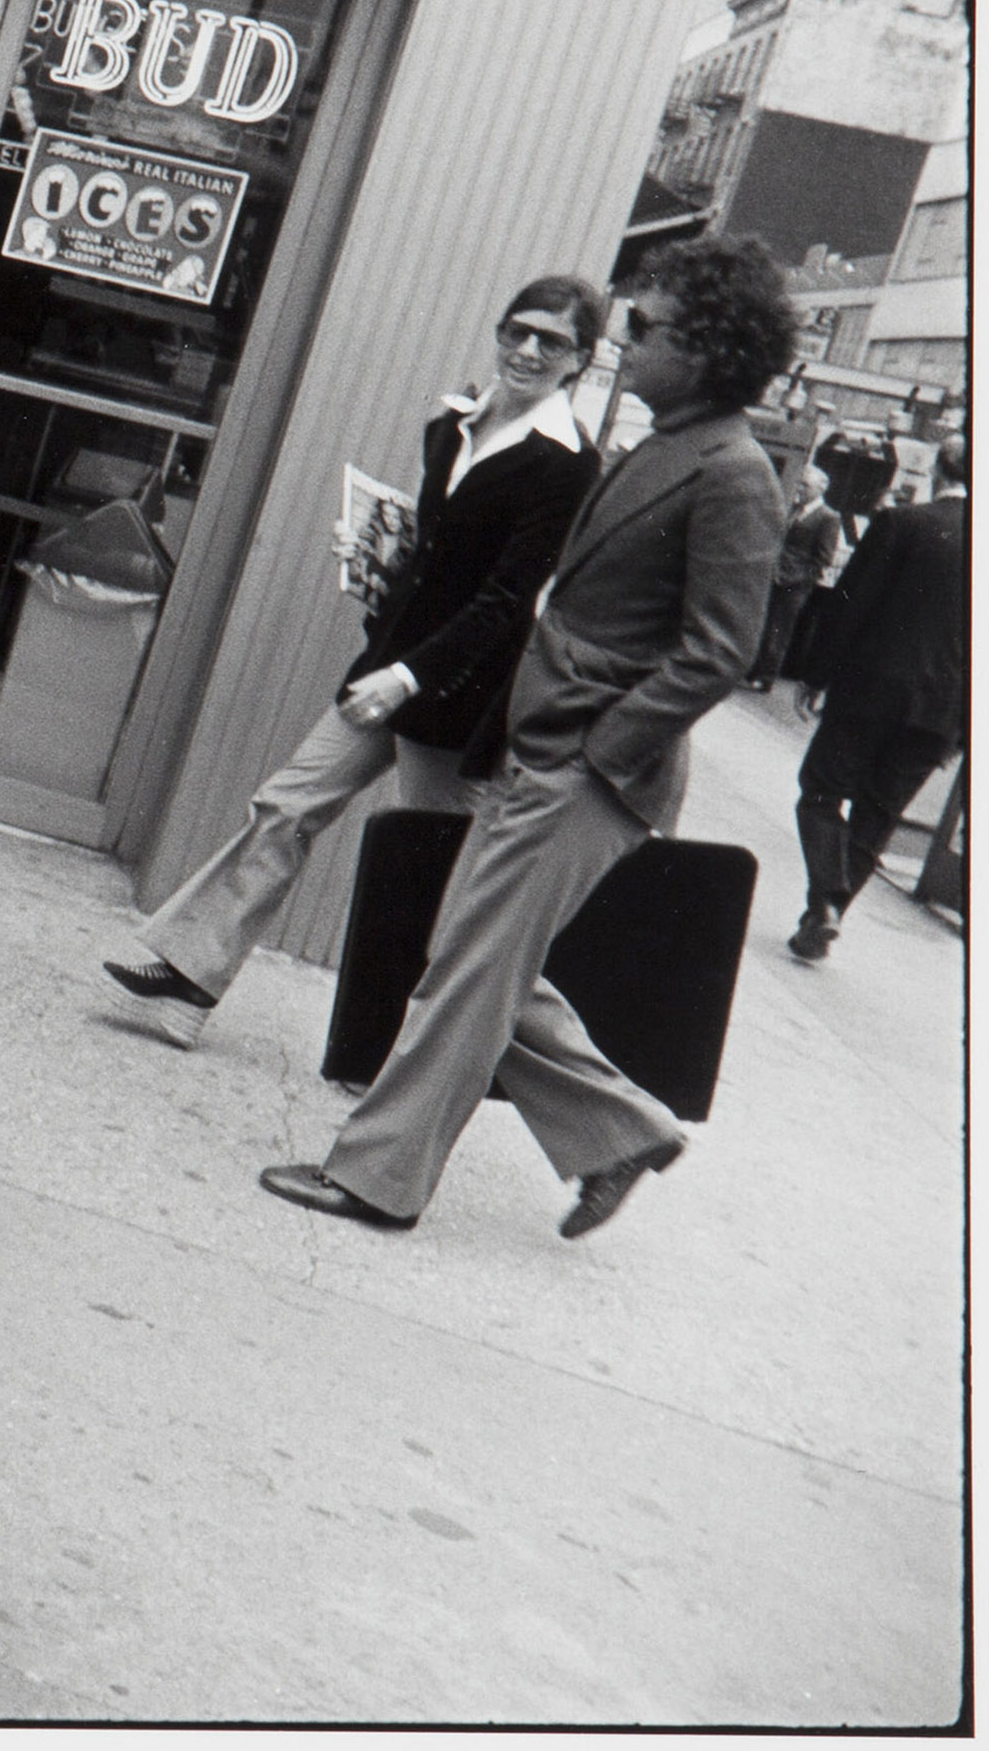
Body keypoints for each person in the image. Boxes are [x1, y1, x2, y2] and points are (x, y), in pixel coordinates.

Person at [262, 235, 793, 1238]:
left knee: (465, 968)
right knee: (471, 954)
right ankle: (621, 1128)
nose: (619, 344)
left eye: (643, 328)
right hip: (545, 747)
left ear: (710, 346)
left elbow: (717, 650)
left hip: (588, 769)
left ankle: (377, 1178)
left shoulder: (732, 473)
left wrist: (599, 748)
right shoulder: (661, 444)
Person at [104, 277, 605, 1045]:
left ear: (581, 361)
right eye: (519, 331)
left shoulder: (565, 464)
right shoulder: (454, 424)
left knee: (453, 892)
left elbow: (506, 597)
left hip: (456, 695)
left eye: (554, 342)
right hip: (388, 667)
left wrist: (407, 676)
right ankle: (190, 983)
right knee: (287, 808)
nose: (530, 351)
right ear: (500, 331)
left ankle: (585, 1090)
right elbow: (439, 549)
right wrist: (378, 557)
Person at [787, 436, 966, 960]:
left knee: (821, 790)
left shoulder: (903, 523)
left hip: (870, 690)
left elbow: (851, 605)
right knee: (879, 814)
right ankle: (827, 916)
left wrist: (815, 675)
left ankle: (824, 902)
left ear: (937, 467)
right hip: (941, 712)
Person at [745, 464, 840, 689]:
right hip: (776, 575)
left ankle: (765, 677)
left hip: (795, 584)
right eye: (800, 483)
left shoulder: (828, 517)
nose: (800, 488)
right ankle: (753, 670)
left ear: (820, 489)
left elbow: (823, 557)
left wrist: (798, 578)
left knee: (780, 630)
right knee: (765, 624)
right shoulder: (796, 509)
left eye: (805, 485)